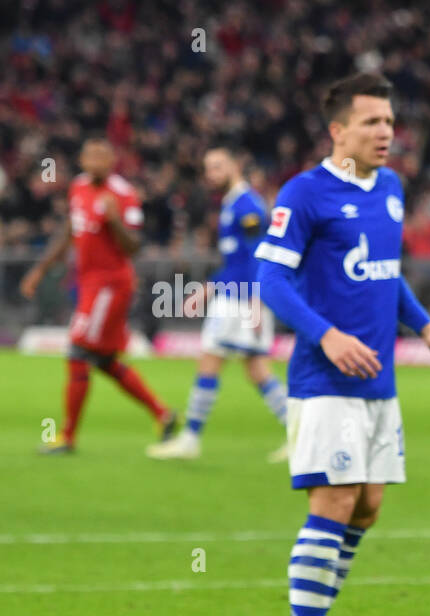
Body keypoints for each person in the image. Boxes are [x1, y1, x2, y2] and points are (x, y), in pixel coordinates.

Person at [254, 73, 430, 616]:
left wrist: (426, 328)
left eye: (390, 121)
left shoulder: (392, 189)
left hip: (379, 381)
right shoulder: (303, 193)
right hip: (324, 377)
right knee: (335, 499)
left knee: (368, 505)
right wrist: (326, 334)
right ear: (338, 129)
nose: (386, 132)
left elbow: (385, 273)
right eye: (372, 121)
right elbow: (270, 280)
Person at [20, 138, 177, 453]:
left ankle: (66, 437)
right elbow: (69, 230)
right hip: (90, 283)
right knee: (103, 360)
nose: (96, 162)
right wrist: (39, 270)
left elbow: (134, 247)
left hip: (110, 286)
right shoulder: (77, 187)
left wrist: (115, 219)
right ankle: (163, 414)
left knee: (77, 351)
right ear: (82, 159)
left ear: (112, 161)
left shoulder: (123, 194)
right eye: (90, 155)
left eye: (102, 156)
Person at [147, 146, 290, 462]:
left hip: (240, 301)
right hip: (232, 295)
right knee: (256, 369)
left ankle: (191, 438)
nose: (211, 174)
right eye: (208, 168)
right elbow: (236, 261)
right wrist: (207, 289)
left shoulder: (246, 205)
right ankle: (301, 433)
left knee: (213, 360)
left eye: (217, 167)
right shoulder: (230, 204)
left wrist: (254, 301)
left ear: (234, 166)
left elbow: (258, 257)